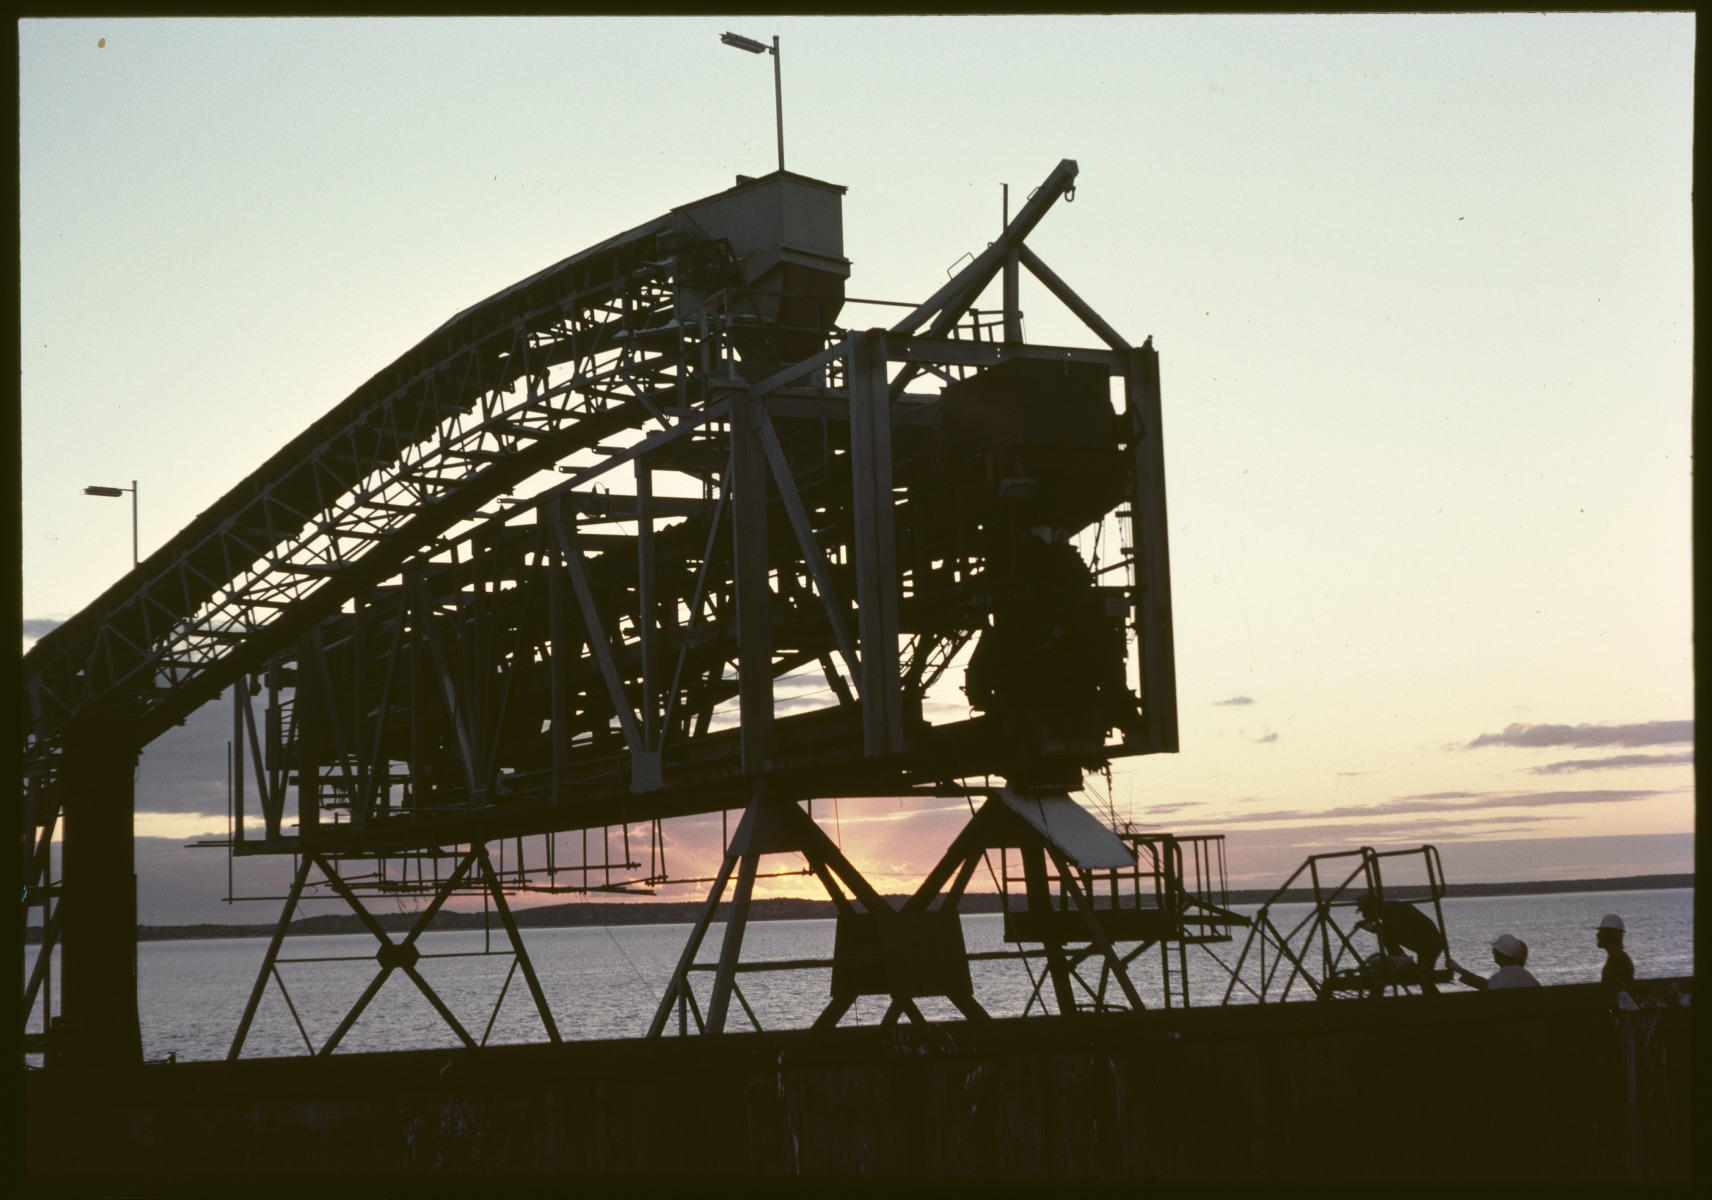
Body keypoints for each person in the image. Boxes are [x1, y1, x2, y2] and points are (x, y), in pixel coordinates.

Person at [1353, 893, 1445, 994]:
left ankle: (1399, 961)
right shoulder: (1388, 908)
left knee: (1424, 976)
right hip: (1428, 943)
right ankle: (1400, 961)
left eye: (1364, 911)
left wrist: (1370, 927)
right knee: (1424, 977)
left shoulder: (1389, 909)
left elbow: (1392, 927)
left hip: (1429, 943)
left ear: (1371, 907)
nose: (1364, 915)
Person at [1459, 932, 1540, 990]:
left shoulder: (1498, 979)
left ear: (1500, 955)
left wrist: (1459, 970)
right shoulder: (1528, 977)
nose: (1493, 953)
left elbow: (1484, 985)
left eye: (1495, 951)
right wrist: (1460, 970)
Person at [1596, 913, 1635, 991]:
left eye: (1601, 932)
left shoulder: (1618, 960)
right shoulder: (1617, 958)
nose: (1597, 935)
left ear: (1610, 935)